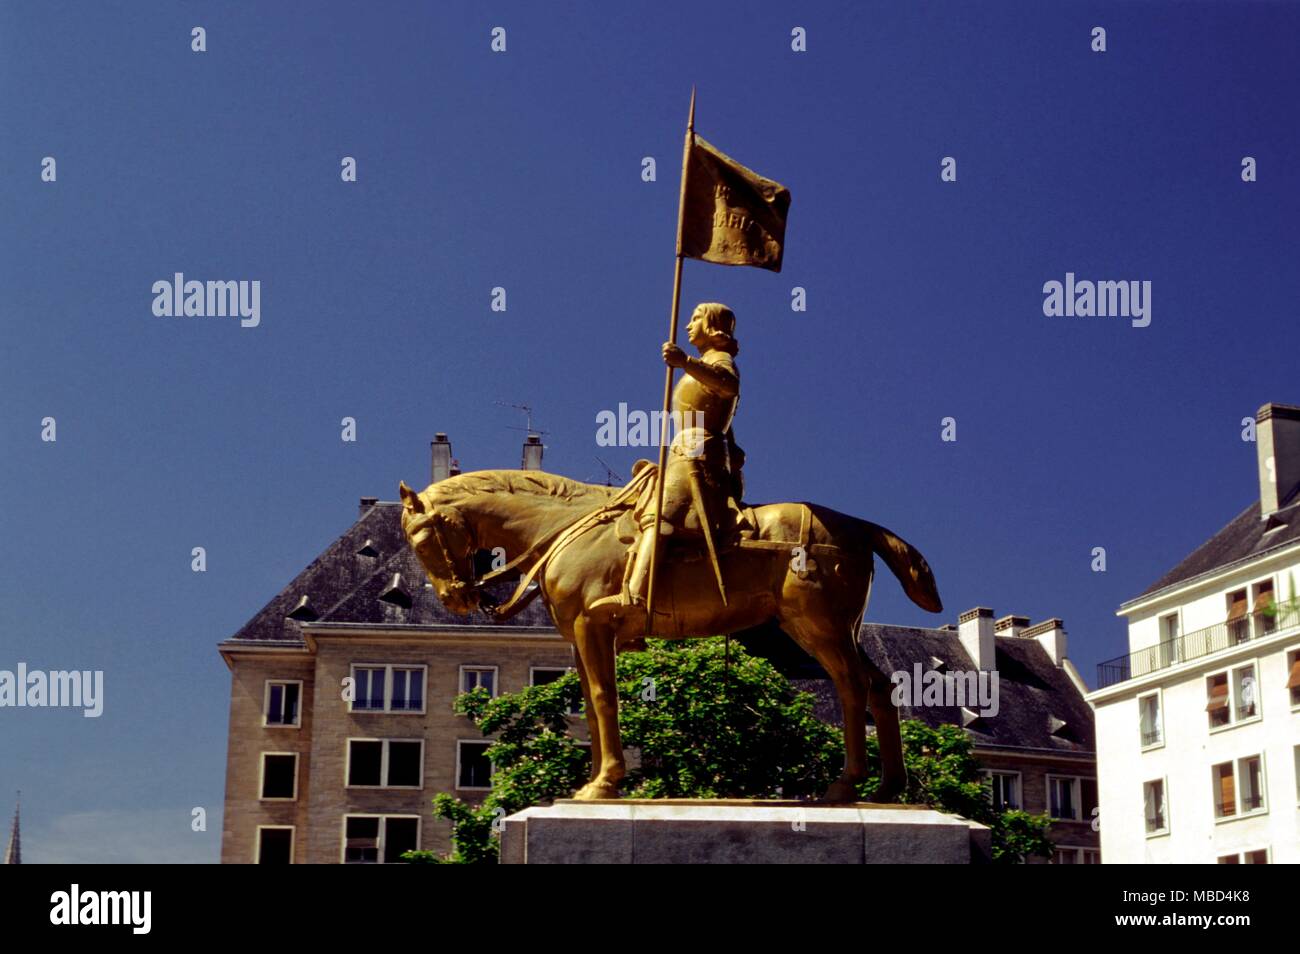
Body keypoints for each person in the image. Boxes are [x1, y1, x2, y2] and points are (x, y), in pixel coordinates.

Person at [590, 302, 744, 624]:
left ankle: (635, 595)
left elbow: (727, 386)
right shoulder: (705, 363)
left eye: (695, 319)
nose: (688, 326)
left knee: (658, 515)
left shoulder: (719, 359)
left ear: (713, 326)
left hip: (697, 451)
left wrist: (683, 361)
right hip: (687, 449)